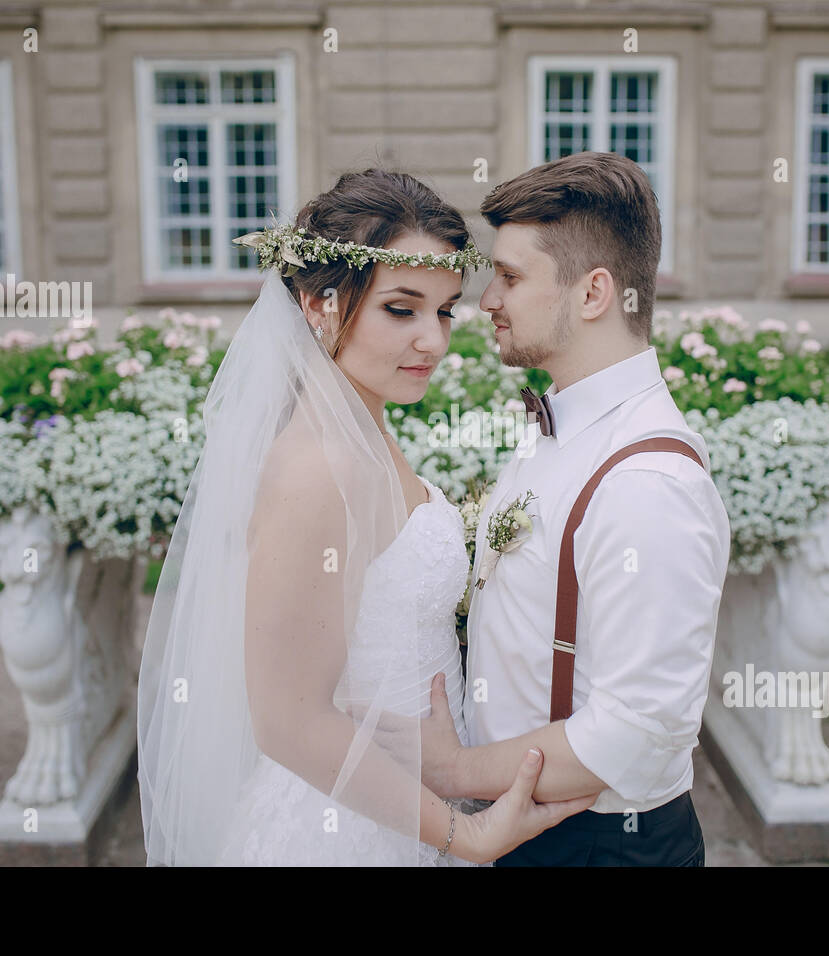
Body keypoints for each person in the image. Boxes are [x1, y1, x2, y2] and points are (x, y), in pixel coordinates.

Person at [137, 168, 595, 866]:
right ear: (320, 305)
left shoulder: (359, 427)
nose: (435, 343)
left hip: (398, 800)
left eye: (444, 310)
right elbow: (288, 719)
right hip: (347, 827)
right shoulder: (320, 465)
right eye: (402, 309)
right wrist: (463, 835)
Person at [420, 151, 733, 866]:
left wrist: (453, 771)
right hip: (530, 829)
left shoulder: (649, 483)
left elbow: (639, 726)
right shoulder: (564, 424)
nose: (486, 301)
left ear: (594, 293)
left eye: (510, 276)